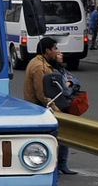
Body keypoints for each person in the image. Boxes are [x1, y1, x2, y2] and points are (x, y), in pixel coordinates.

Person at [23, 37, 76, 174]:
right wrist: (56, 110)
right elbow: (42, 94)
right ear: (47, 50)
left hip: (38, 108)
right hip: (41, 108)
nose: (57, 51)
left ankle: (58, 165)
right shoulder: (40, 67)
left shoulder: (39, 62)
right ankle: (57, 165)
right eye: (55, 48)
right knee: (59, 134)